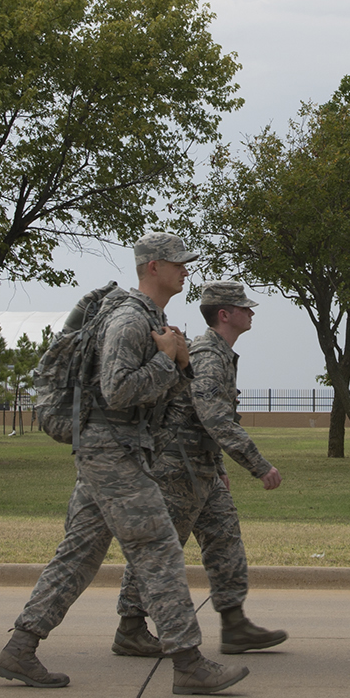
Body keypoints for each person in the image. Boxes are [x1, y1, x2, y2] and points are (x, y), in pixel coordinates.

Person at [0, 232, 245, 696]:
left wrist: (182, 364)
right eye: (177, 263)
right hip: (112, 452)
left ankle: (20, 648)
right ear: (153, 267)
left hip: (115, 449)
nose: (185, 269)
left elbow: (154, 396)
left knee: (81, 553)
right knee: (159, 549)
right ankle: (188, 663)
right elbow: (119, 390)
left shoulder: (153, 318)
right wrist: (169, 362)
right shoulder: (130, 319)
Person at [112, 279, 286, 658]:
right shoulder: (208, 354)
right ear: (225, 315)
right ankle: (130, 626)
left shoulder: (221, 353)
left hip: (201, 467)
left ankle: (234, 622)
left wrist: (219, 463)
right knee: (161, 548)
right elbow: (215, 417)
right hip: (176, 468)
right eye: (244, 307)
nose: (251, 312)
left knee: (225, 539)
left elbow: (201, 416)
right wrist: (258, 466)